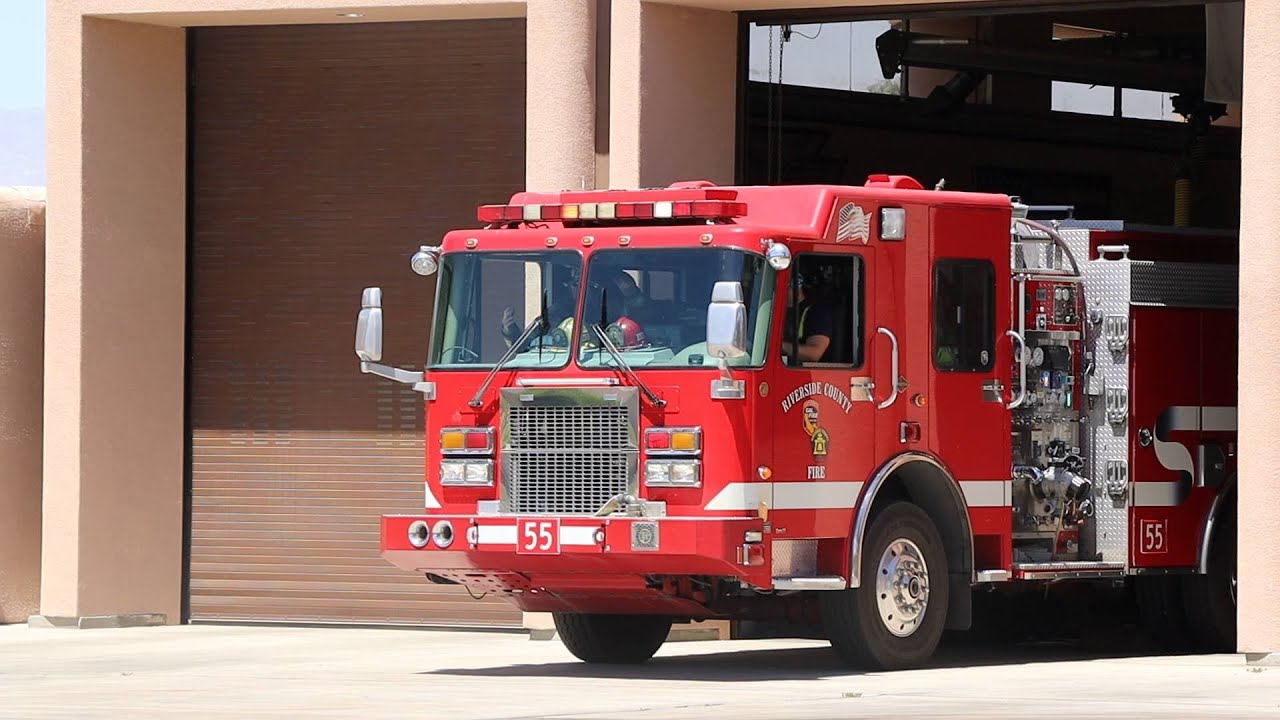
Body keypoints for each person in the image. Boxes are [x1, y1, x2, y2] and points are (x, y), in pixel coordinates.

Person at [781, 271, 834, 364]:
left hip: (806, 374)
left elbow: (814, 354)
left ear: (797, 288)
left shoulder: (816, 312)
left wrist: (778, 346)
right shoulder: (772, 311)